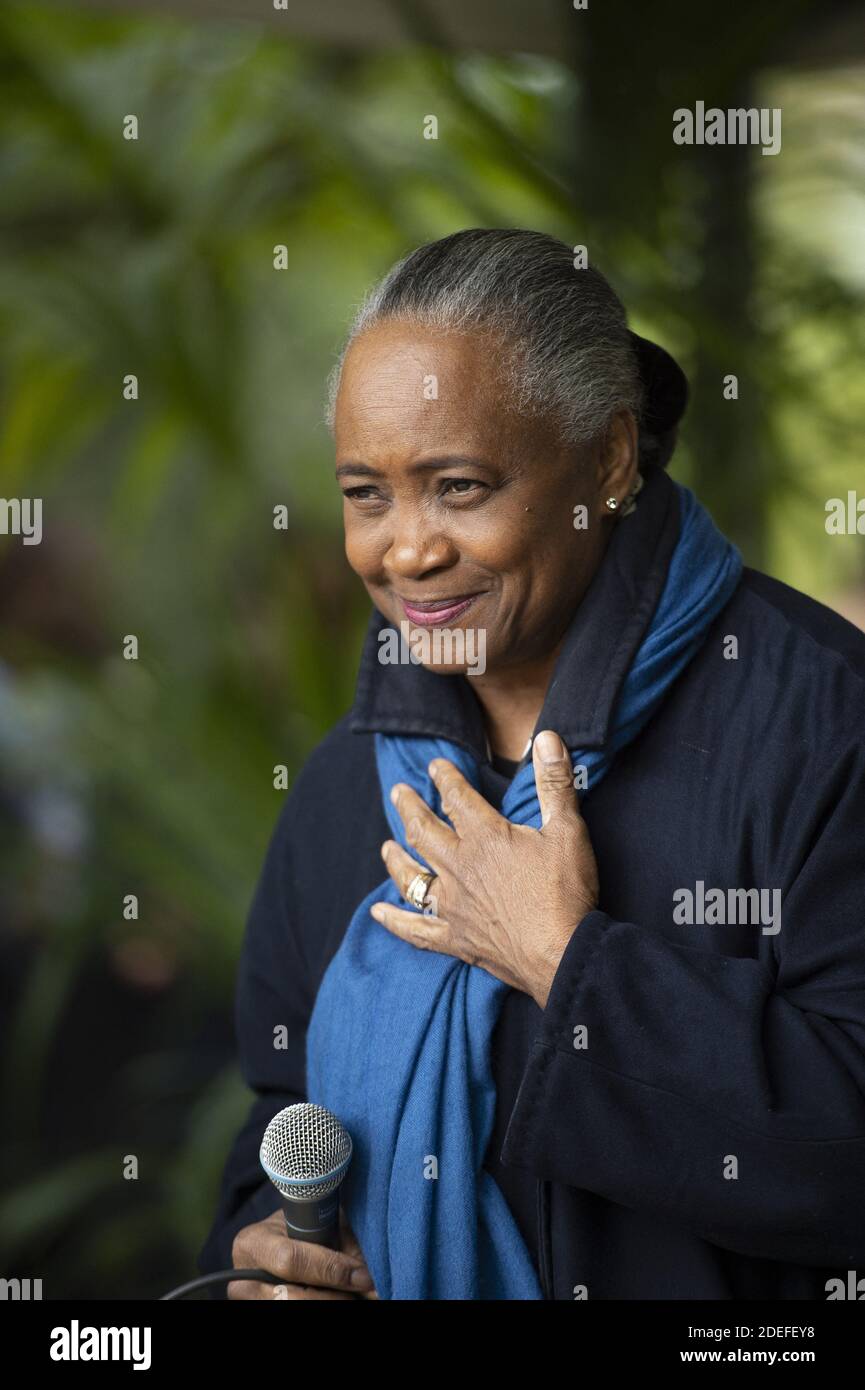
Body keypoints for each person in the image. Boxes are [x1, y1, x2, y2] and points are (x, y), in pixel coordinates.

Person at [199, 228, 865, 1300]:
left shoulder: (823, 723)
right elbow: (282, 1115)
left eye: (458, 486)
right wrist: (267, 1249)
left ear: (604, 460)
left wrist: (568, 962)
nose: (404, 550)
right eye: (365, 493)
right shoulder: (344, 786)